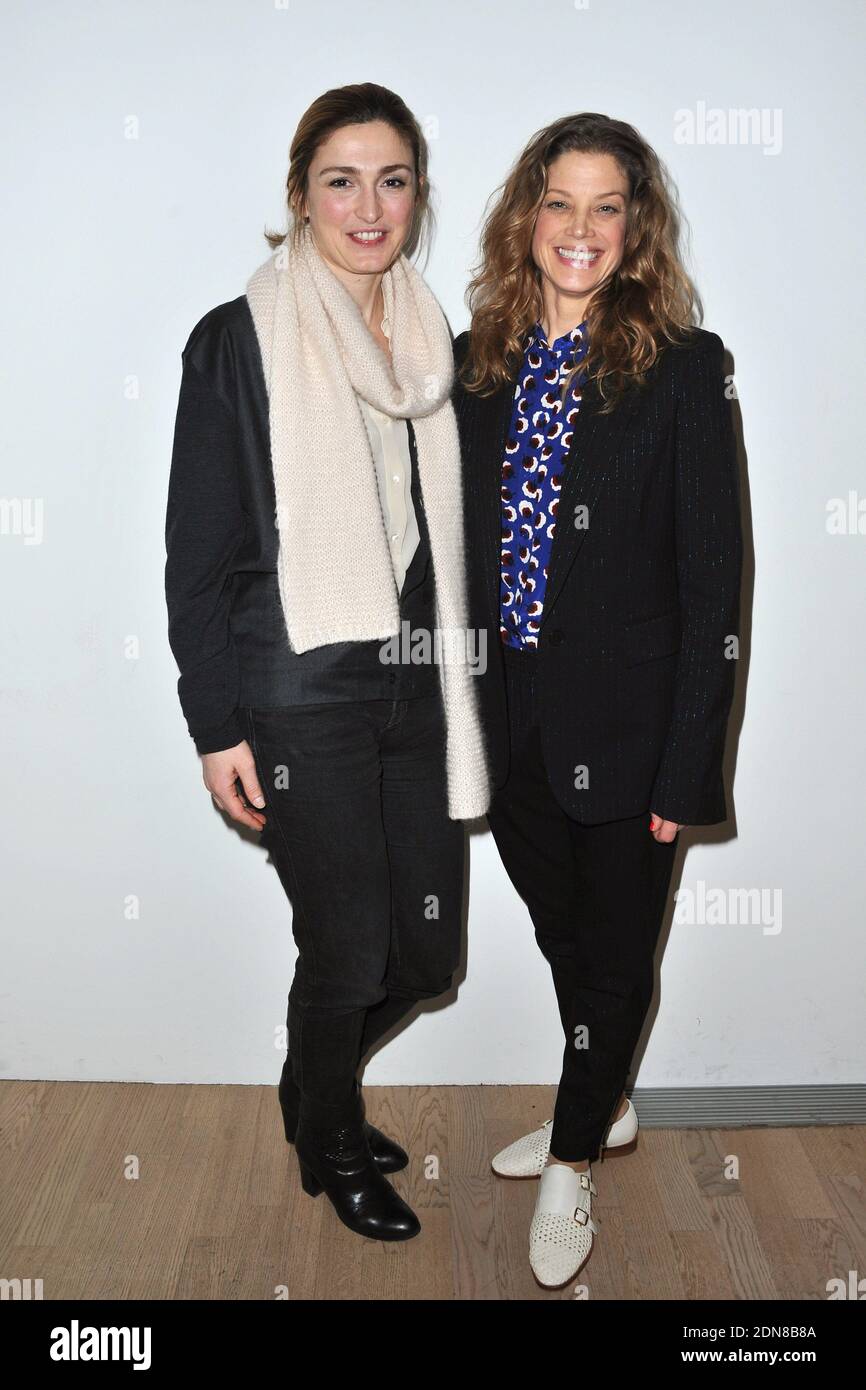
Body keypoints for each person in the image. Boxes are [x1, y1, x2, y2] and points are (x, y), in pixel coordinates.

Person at [165, 83, 489, 1243]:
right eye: (341, 179)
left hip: (418, 677)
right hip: (299, 686)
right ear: (299, 194)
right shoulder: (236, 339)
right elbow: (196, 559)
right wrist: (215, 727)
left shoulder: (432, 340)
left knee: (427, 948)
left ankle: (313, 1087)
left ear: (416, 196)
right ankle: (333, 1138)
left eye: (392, 178)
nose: (368, 204)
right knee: (346, 946)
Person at [453, 112, 743, 1287]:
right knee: (565, 930)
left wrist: (686, 767)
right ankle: (606, 1091)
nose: (579, 229)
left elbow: (714, 578)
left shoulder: (681, 366)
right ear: (527, 217)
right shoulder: (478, 359)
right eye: (558, 203)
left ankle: (574, 1150)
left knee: (615, 947)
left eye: (605, 206)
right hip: (505, 716)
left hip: (629, 727)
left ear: (636, 228)